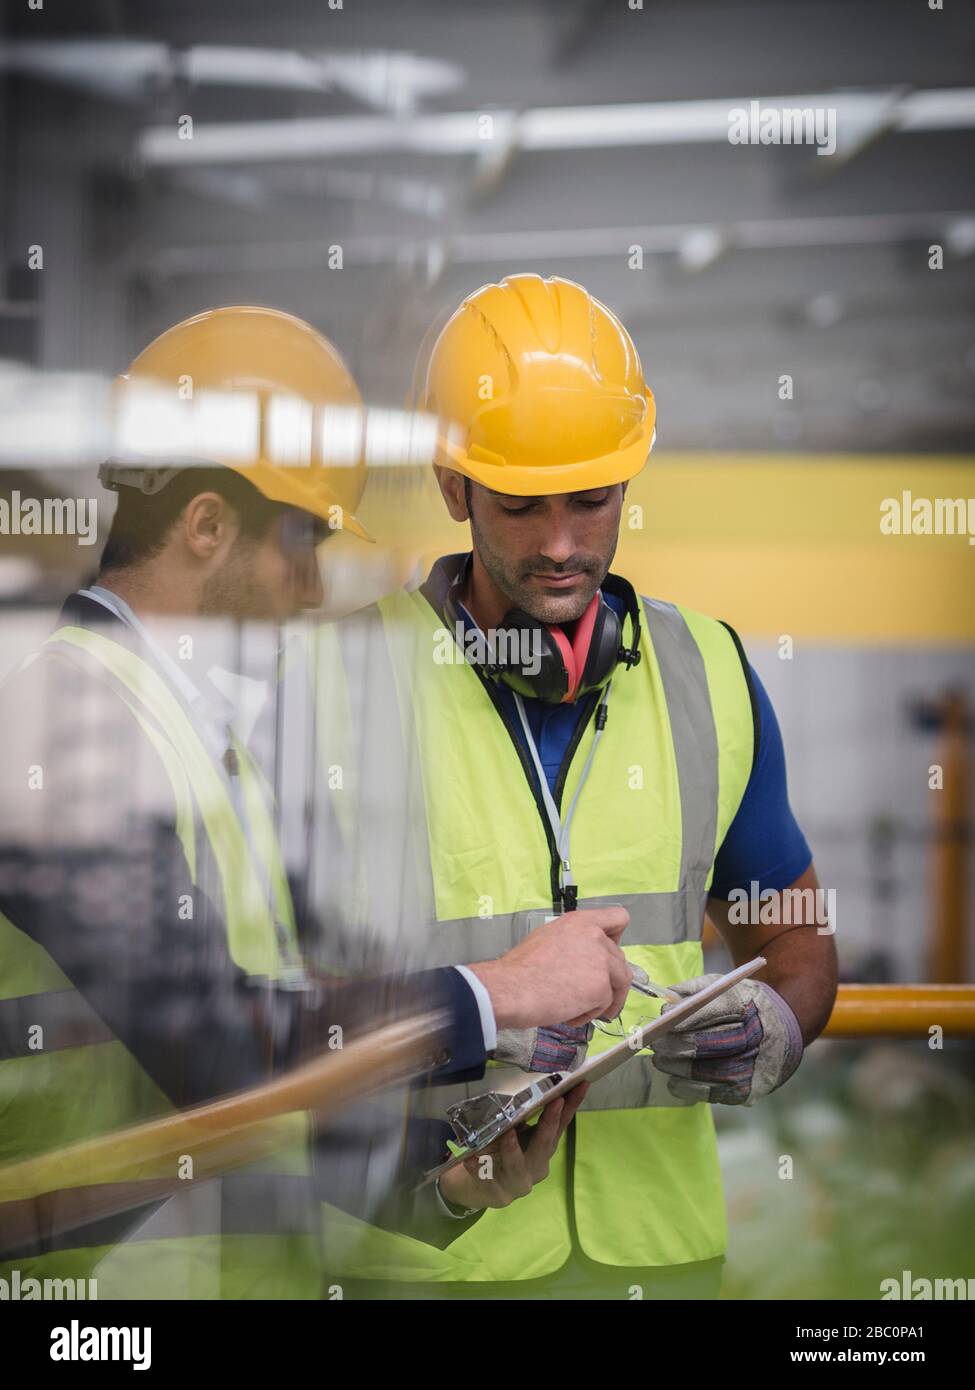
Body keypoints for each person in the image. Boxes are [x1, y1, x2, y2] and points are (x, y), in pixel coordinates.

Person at [0, 304, 633, 1299]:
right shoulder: (61, 724)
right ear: (208, 526)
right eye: (305, 539)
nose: (308, 588)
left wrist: (446, 1175)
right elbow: (221, 1048)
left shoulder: (202, 742)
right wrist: (497, 992)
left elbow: (273, 1076)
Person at [325, 273, 838, 1299]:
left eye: (592, 499)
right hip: (431, 1258)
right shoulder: (338, 685)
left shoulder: (711, 674)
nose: (562, 544)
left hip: (663, 1261)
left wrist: (778, 1025)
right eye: (520, 505)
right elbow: (269, 1008)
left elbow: (798, 936)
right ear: (452, 487)